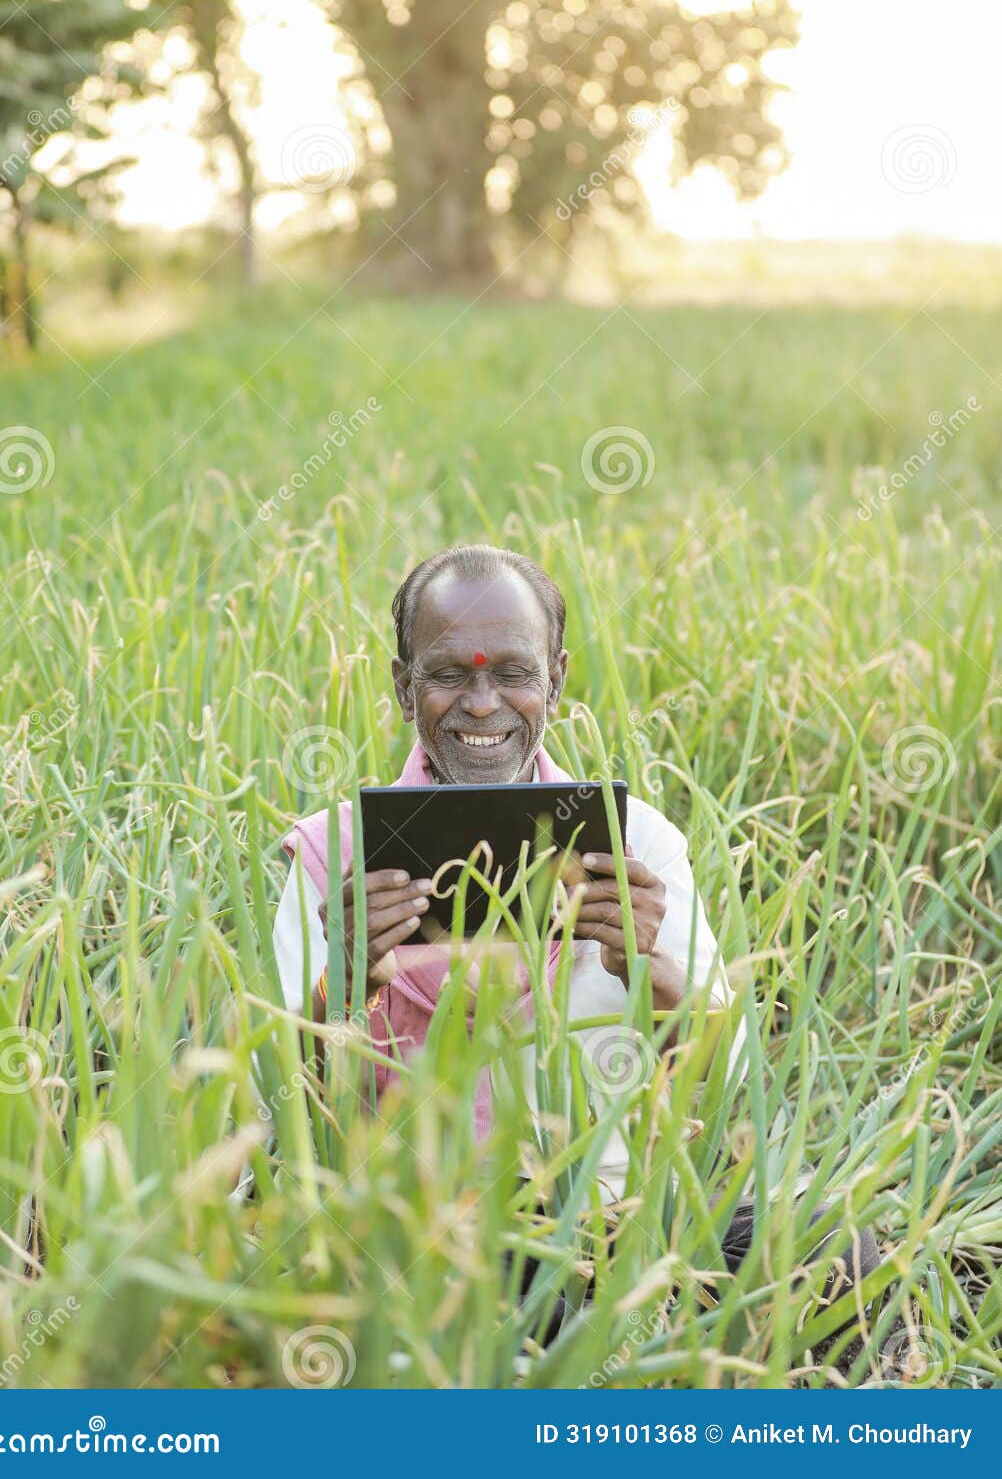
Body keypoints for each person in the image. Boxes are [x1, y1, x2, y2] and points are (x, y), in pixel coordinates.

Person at [273, 544, 878, 1330]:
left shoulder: (633, 843)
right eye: (448, 674)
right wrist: (347, 984)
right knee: (521, 1315)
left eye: (513, 674)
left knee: (840, 1258)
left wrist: (645, 967)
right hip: (426, 1233)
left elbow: (726, 1081)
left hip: (623, 1217)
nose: (483, 704)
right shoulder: (338, 859)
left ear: (555, 678)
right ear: (403, 686)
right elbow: (276, 1108)